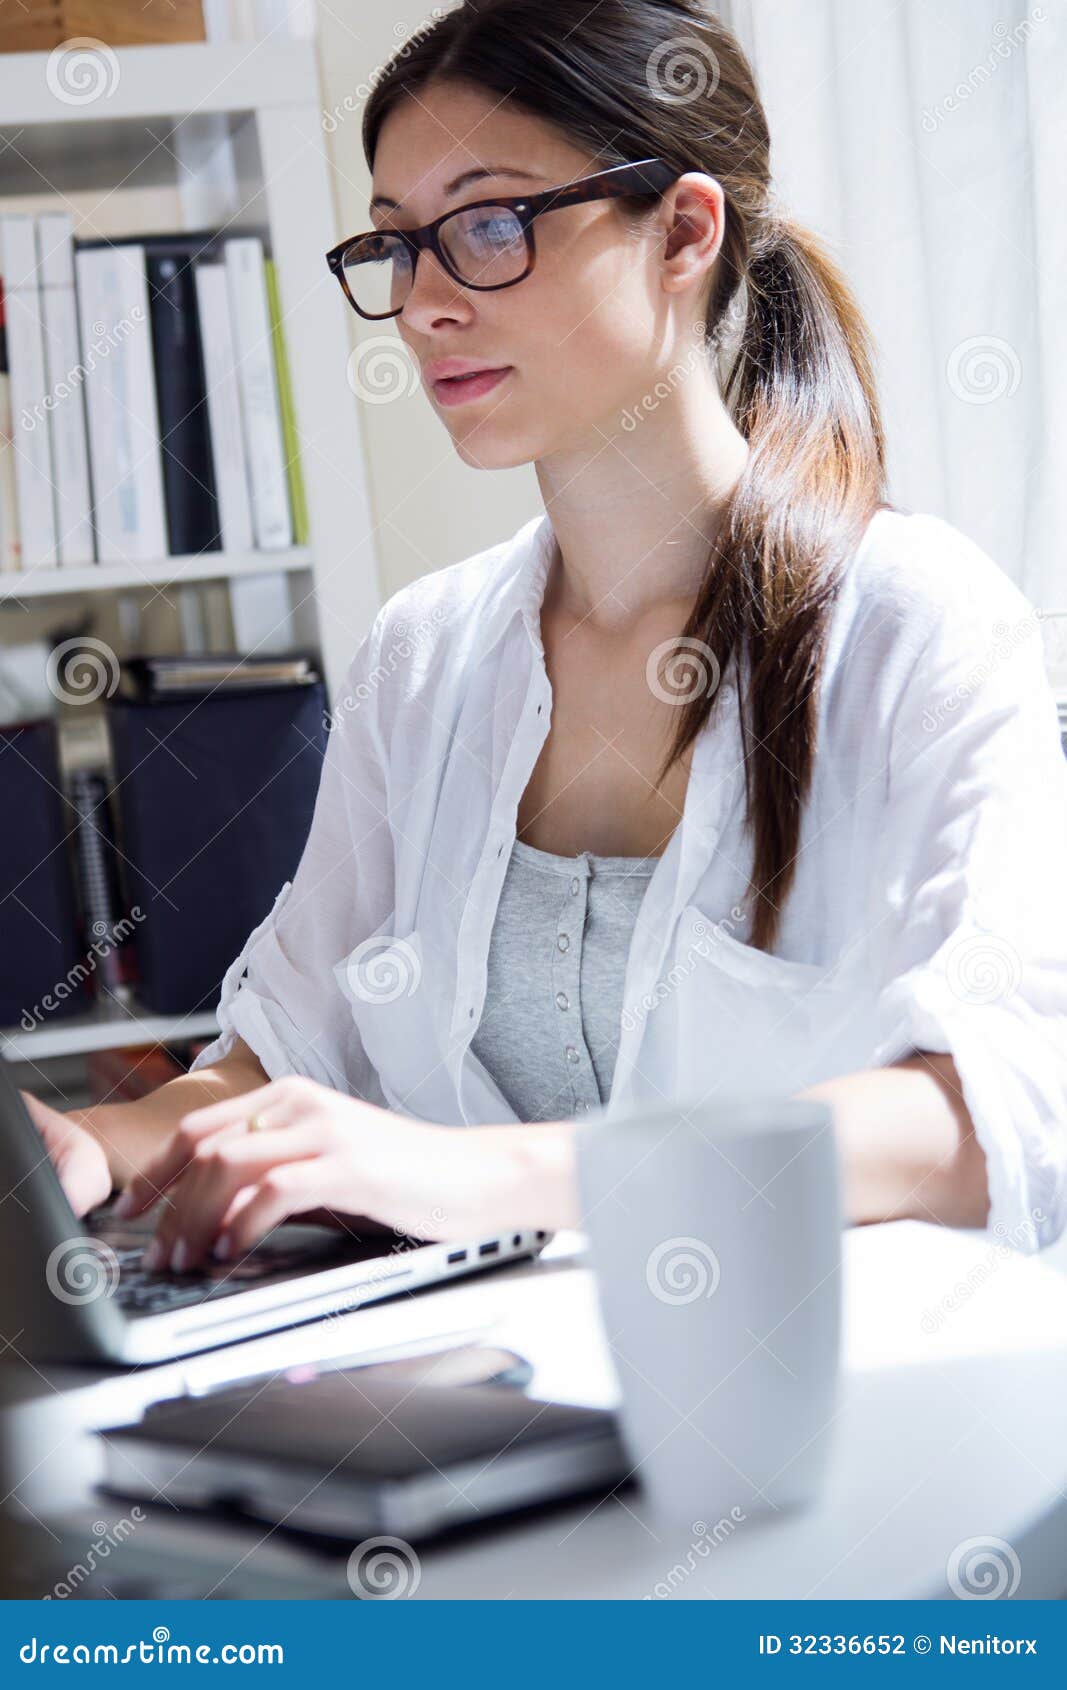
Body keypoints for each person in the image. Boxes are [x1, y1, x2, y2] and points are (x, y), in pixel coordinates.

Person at [28, 0, 1067, 1272]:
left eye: (486, 225)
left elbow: (990, 1114)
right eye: (398, 246)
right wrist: (101, 1144)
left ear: (683, 230)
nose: (423, 305)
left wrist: (484, 1176)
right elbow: (286, 1048)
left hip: (831, 1411)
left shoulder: (918, 624)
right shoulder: (424, 657)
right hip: (490, 1395)